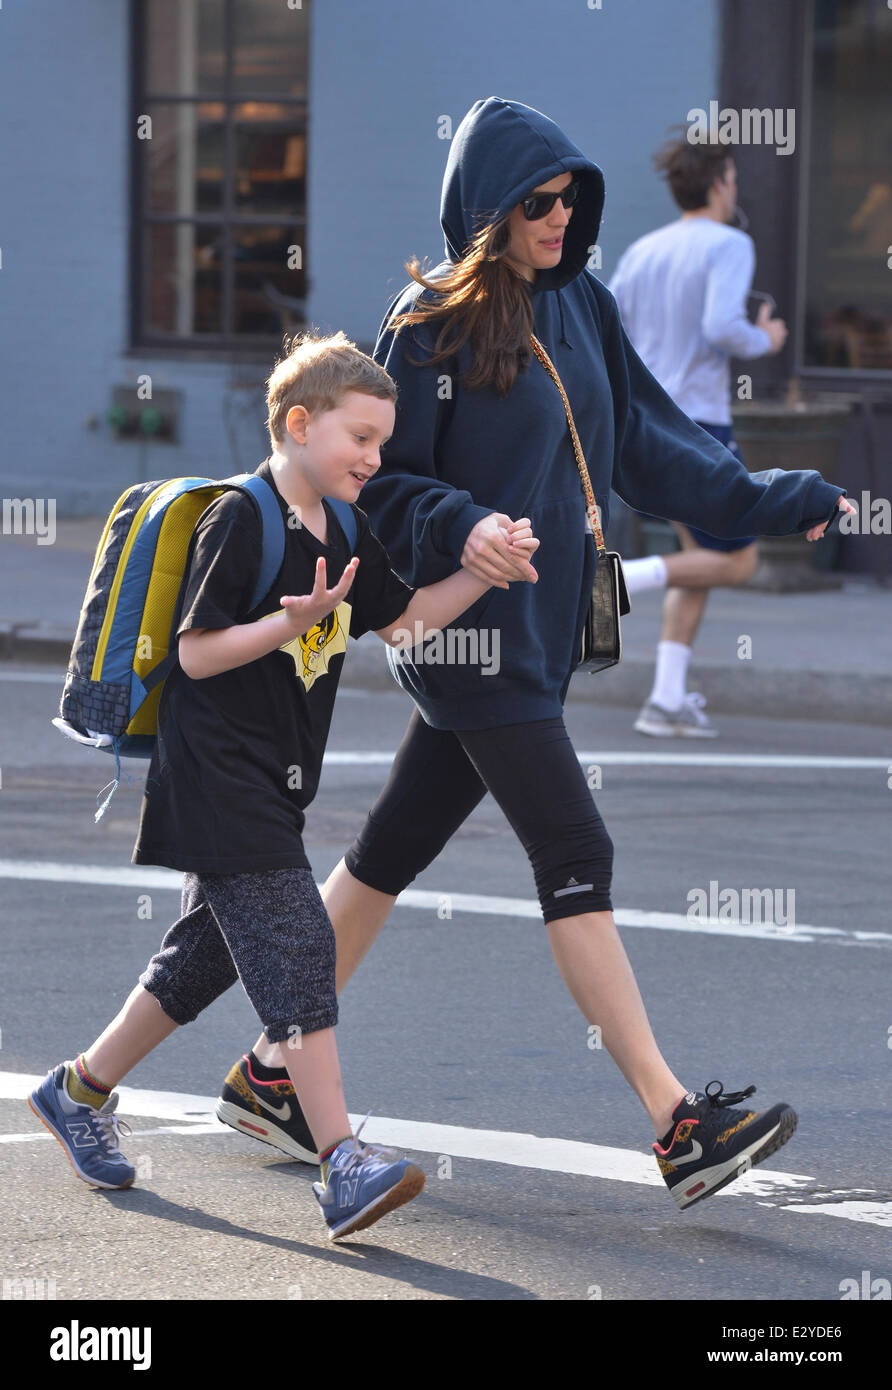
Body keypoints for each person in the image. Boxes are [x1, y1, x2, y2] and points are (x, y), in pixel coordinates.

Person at [216, 96, 852, 1213]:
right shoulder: (426, 328)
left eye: (571, 198)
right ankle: (674, 1124)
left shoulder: (584, 307)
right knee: (575, 850)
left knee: (384, 856)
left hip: (537, 632)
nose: (560, 217)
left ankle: (274, 1071)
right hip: (471, 635)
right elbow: (383, 479)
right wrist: (458, 522)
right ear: (490, 210)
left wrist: (766, 496)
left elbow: (652, 447)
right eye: (538, 202)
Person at [27, 330, 539, 1240]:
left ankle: (78, 1091)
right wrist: (286, 622)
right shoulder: (243, 518)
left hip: (275, 779)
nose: (375, 459)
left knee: (205, 958)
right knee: (299, 948)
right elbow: (195, 653)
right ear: (299, 425)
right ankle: (342, 1161)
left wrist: (480, 568)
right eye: (361, 439)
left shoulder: (346, 526)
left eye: (383, 442)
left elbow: (408, 624)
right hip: (215, 779)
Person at [608, 135, 789, 737]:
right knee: (739, 561)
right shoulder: (731, 243)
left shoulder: (642, 251)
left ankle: (664, 700)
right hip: (699, 427)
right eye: (732, 177)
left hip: (646, 423)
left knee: (702, 560)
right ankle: (622, 580)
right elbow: (721, 325)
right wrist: (767, 339)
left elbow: (617, 333)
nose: (735, 187)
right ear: (718, 184)